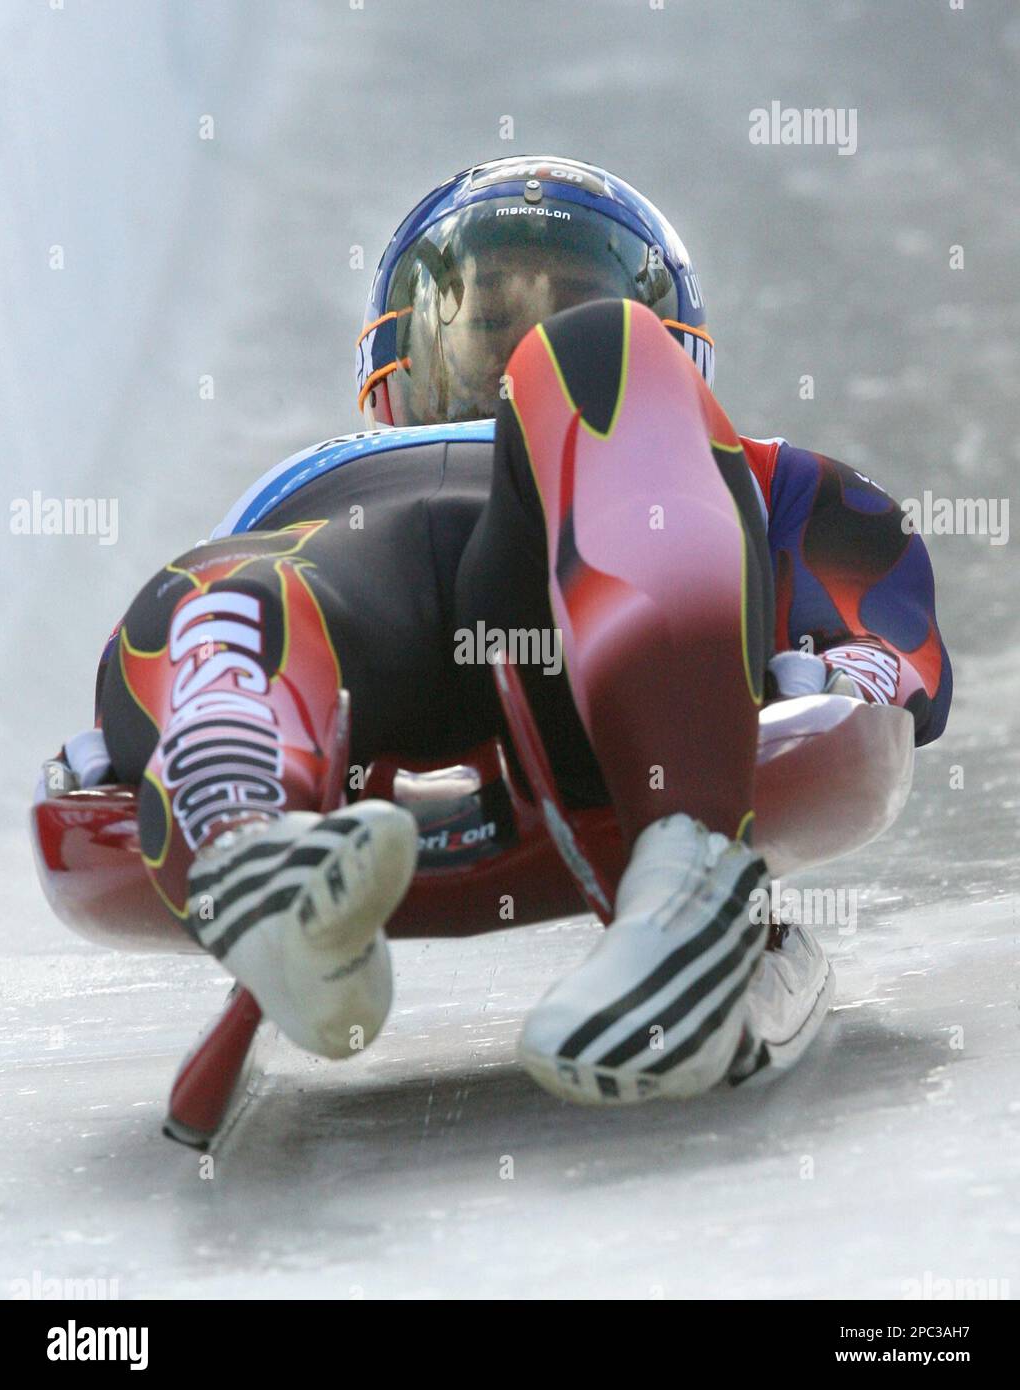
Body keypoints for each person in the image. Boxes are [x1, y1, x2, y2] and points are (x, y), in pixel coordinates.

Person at [46, 156, 952, 1105]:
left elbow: (885, 626)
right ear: (400, 361)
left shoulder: (763, 480)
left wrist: (841, 675)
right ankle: (249, 851)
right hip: (355, 574)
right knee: (226, 581)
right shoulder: (303, 478)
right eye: (488, 323)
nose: (526, 342)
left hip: (586, 618)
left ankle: (693, 876)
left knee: (602, 355)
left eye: (568, 304)